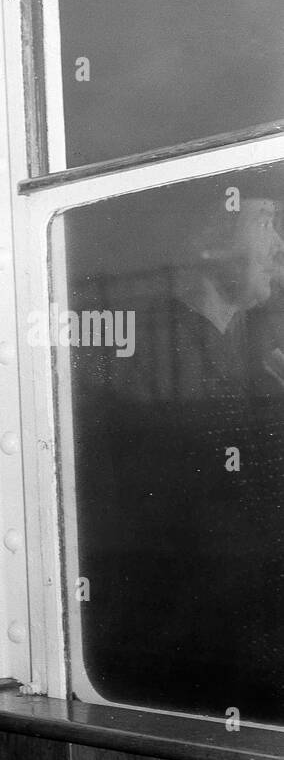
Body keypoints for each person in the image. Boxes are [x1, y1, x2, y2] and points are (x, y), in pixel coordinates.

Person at [71, 178, 284, 719]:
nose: (279, 244)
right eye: (264, 223)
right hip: (196, 632)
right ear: (209, 243)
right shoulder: (145, 354)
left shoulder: (255, 349)